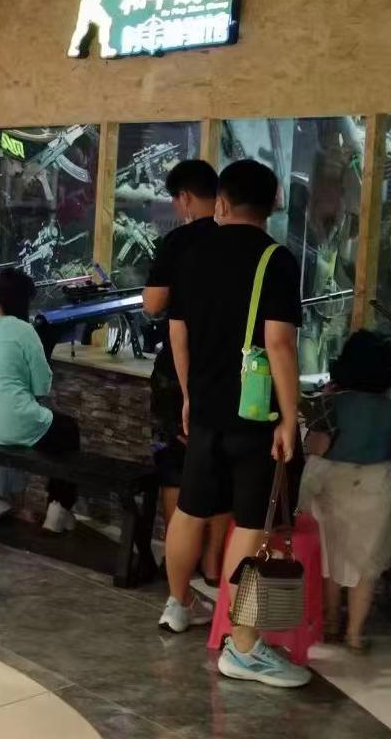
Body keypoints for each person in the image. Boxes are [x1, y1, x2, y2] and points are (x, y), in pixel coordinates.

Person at [161, 159, 310, 687]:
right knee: (250, 525)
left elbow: (178, 333)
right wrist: (289, 418)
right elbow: (279, 343)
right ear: (272, 206)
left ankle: (177, 603)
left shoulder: (193, 252)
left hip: (204, 409)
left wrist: (188, 395)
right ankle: (243, 647)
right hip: (254, 416)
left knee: (190, 510)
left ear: (221, 202)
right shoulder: (276, 259)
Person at [141, 159, 228, 583]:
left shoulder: (178, 242)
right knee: (223, 465)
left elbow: (154, 305)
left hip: (181, 370)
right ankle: (213, 563)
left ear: (186, 198)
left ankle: (181, 560)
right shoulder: (243, 241)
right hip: (230, 370)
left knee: (175, 464)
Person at [300, 330, 391, 652]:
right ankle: (355, 635)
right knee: (366, 565)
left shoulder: (331, 403)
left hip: (333, 479)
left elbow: (315, 446)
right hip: (379, 483)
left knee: (331, 557)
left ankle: (331, 622)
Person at [0, 269, 81, 531]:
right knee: (68, 430)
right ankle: (58, 509)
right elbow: (42, 387)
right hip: (8, 424)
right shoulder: (23, 331)